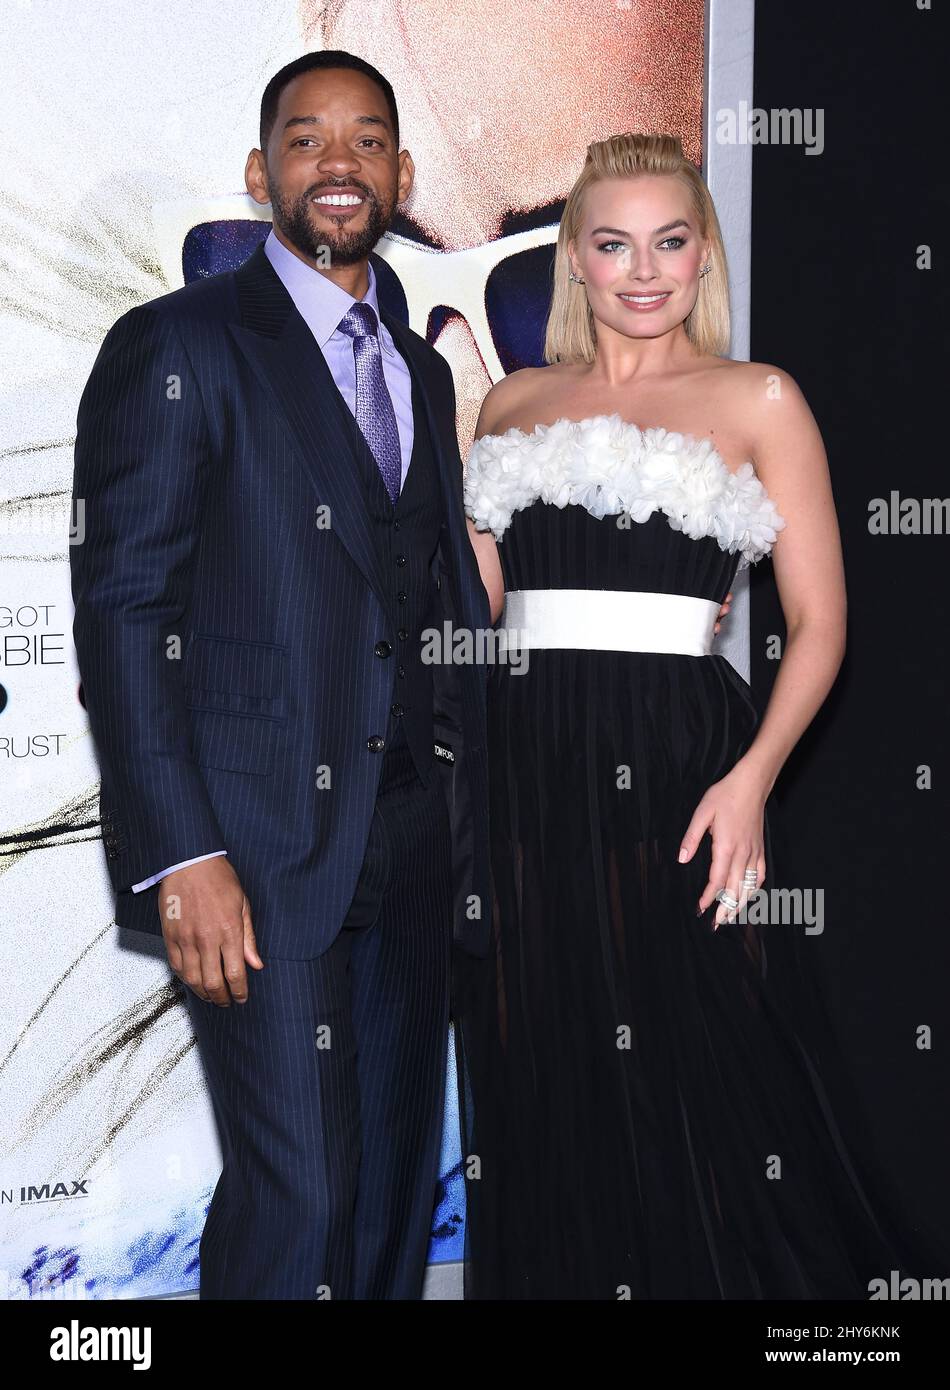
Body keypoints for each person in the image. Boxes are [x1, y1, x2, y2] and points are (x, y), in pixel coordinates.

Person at [453, 132, 932, 1299]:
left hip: (680, 762)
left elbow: (817, 621)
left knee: (711, 1063)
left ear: (703, 250)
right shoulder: (510, 404)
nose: (643, 271)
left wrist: (754, 776)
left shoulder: (757, 396)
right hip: (521, 770)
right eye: (612, 244)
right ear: (572, 258)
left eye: (669, 241)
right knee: (544, 1063)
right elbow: (477, 605)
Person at [69, 50, 493, 1300]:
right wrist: (179, 850)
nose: (338, 162)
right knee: (300, 1195)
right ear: (261, 174)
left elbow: (424, 600)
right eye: (306, 140)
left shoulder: (416, 368)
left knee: (382, 1199)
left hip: (412, 843)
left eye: (366, 140)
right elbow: (125, 612)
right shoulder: (174, 343)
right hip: (252, 853)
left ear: (402, 176)